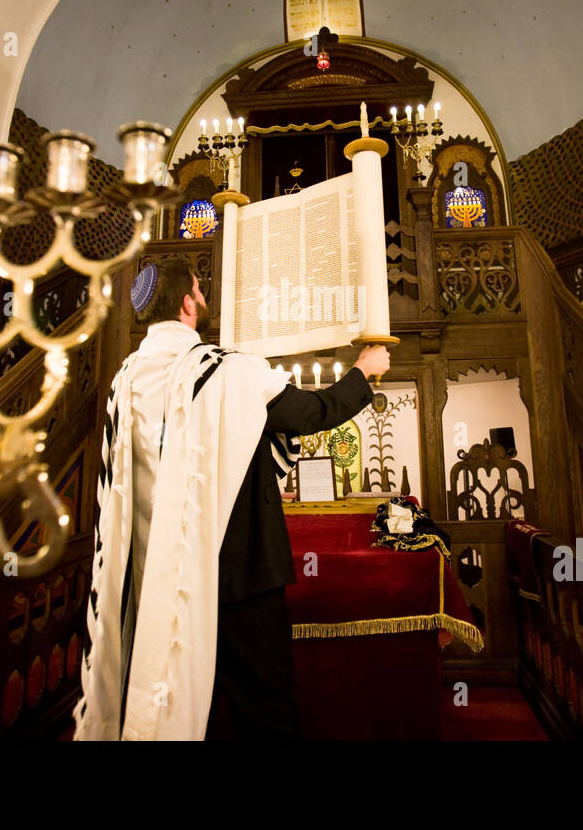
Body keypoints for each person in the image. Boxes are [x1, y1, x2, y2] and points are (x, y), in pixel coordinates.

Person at [73, 258, 390, 740]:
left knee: (171, 698)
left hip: (157, 575)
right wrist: (363, 372)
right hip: (241, 576)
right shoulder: (230, 372)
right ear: (187, 303)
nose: (201, 298)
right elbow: (314, 413)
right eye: (199, 290)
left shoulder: (125, 381)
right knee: (264, 709)